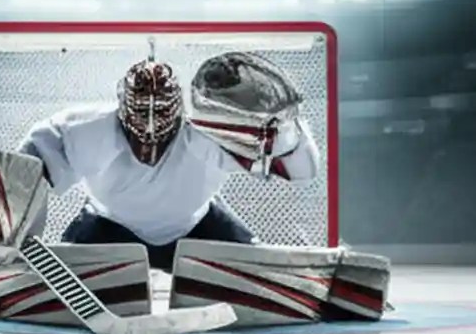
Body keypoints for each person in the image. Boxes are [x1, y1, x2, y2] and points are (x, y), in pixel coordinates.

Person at [18, 56, 319, 271]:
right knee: (53, 279)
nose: (150, 125)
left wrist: (285, 131)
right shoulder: (85, 128)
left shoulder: (207, 131)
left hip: (199, 223)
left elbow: (302, 169)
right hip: (107, 226)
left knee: (261, 273)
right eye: (142, 110)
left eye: (159, 111)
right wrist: (2, 219)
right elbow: (23, 174)